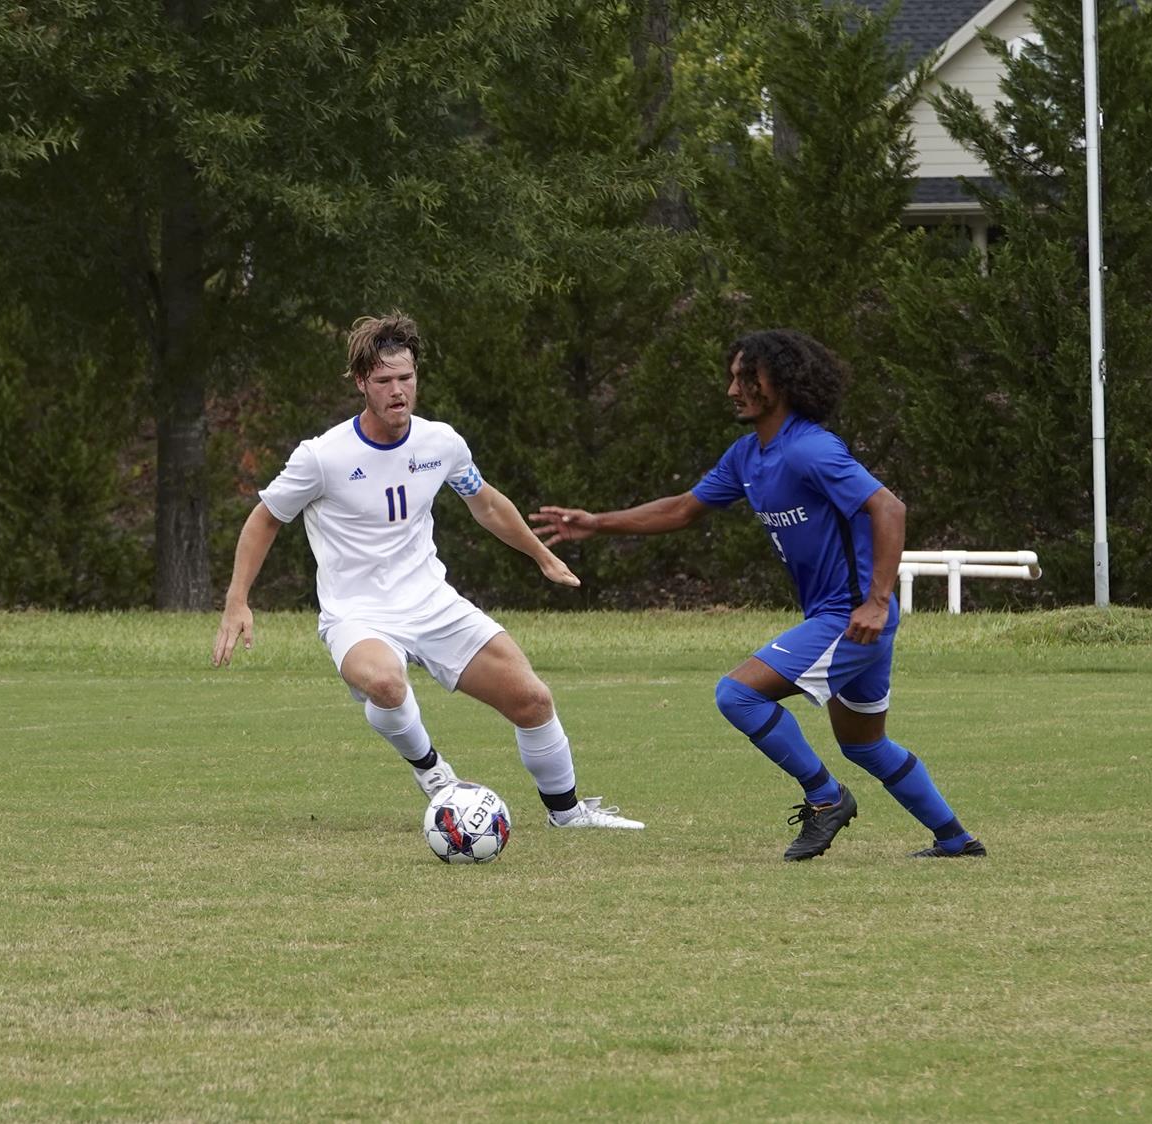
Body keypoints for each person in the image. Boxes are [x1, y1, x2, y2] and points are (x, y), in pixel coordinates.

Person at [531, 329, 981, 861]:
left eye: (747, 377)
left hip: (852, 617)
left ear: (782, 382)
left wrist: (877, 602)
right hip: (847, 618)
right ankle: (955, 840)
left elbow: (889, 509)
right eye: (732, 377)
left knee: (737, 695)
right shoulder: (748, 456)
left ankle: (827, 798)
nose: (733, 389)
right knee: (865, 744)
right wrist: (597, 523)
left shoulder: (811, 449)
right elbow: (683, 509)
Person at [214, 313, 643, 831]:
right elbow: (264, 519)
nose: (398, 391)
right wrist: (237, 600)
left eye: (406, 377)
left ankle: (568, 815)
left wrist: (541, 556)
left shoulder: (441, 443)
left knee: (533, 699)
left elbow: (487, 504)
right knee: (386, 683)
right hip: (357, 614)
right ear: (361, 382)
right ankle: (433, 771)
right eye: (384, 380)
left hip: (432, 602)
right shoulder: (322, 457)